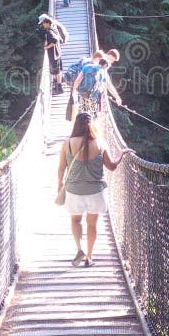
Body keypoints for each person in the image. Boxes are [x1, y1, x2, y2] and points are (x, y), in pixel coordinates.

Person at [58, 112, 133, 267]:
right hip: (96, 192)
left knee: (75, 220)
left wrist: (59, 184)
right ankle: (89, 257)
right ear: (91, 125)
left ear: (76, 125)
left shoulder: (67, 143)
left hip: (74, 191)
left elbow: (61, 168)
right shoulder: (100, 143)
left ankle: (79, 249)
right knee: (92, 225)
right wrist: (121, 153)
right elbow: (112, 166)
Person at [40, 14, 64, 94]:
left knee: (56, 72)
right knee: (59, 70)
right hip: (58, 53)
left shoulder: (49, 31)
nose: (43, 25)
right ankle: (58, 84)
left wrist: (46, 47)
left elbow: (54, 41)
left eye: (43, 23)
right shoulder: (53, 28)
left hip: (54, 55)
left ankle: (59, 88)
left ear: (47, 22)